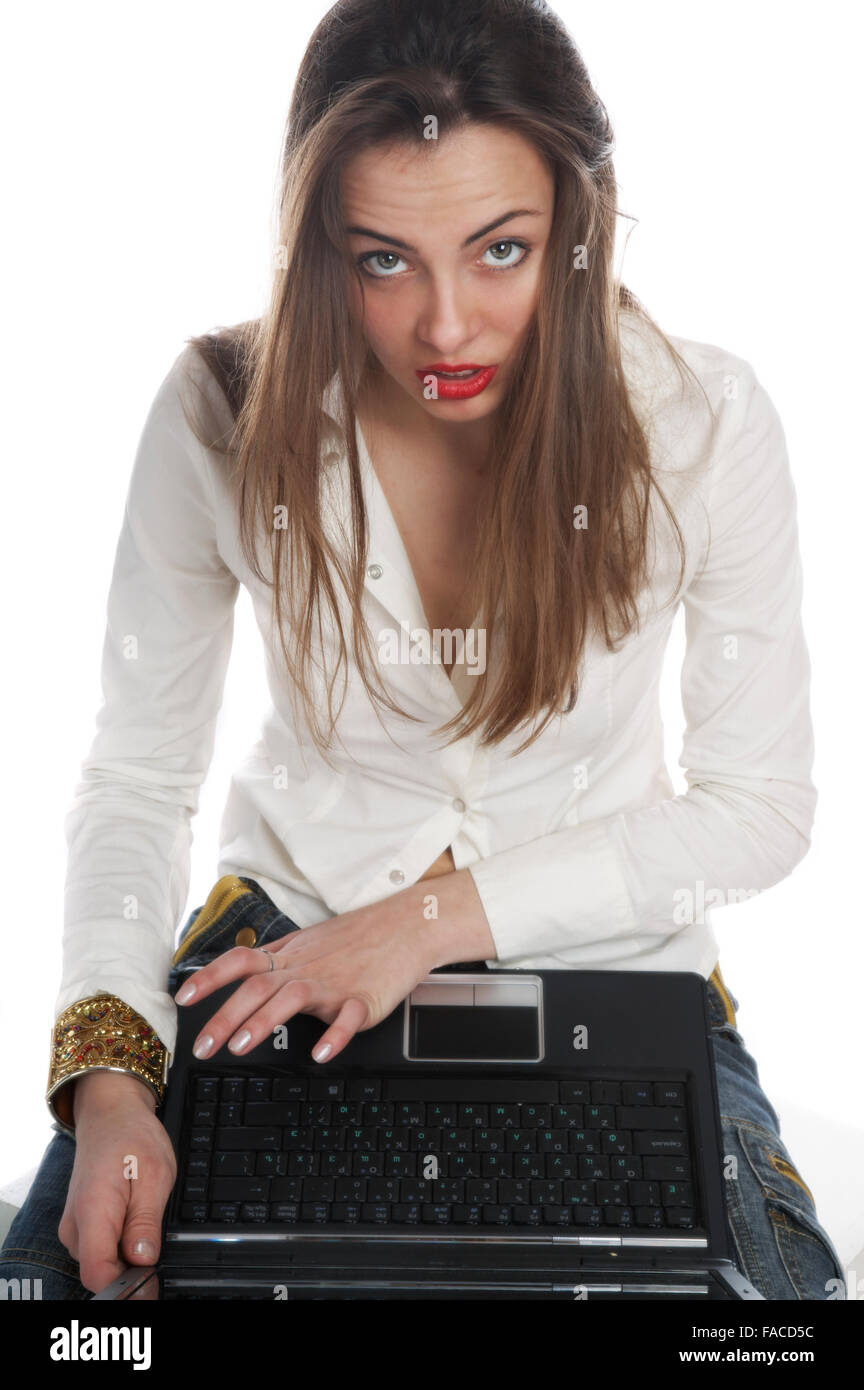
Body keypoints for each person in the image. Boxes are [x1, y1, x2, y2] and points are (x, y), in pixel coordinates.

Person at [0, 0, 846, 1301]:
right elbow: (134, 780)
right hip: (276, 952)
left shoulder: (705, 420)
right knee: (71, 1319)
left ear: (579, 219)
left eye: (501, 248)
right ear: (318, 246)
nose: (449, 325)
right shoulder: (219, 411)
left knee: (758, 1322)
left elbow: (758, 807)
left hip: (612, 967)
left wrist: (427, 923)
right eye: (384, 259)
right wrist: (111, 1080)